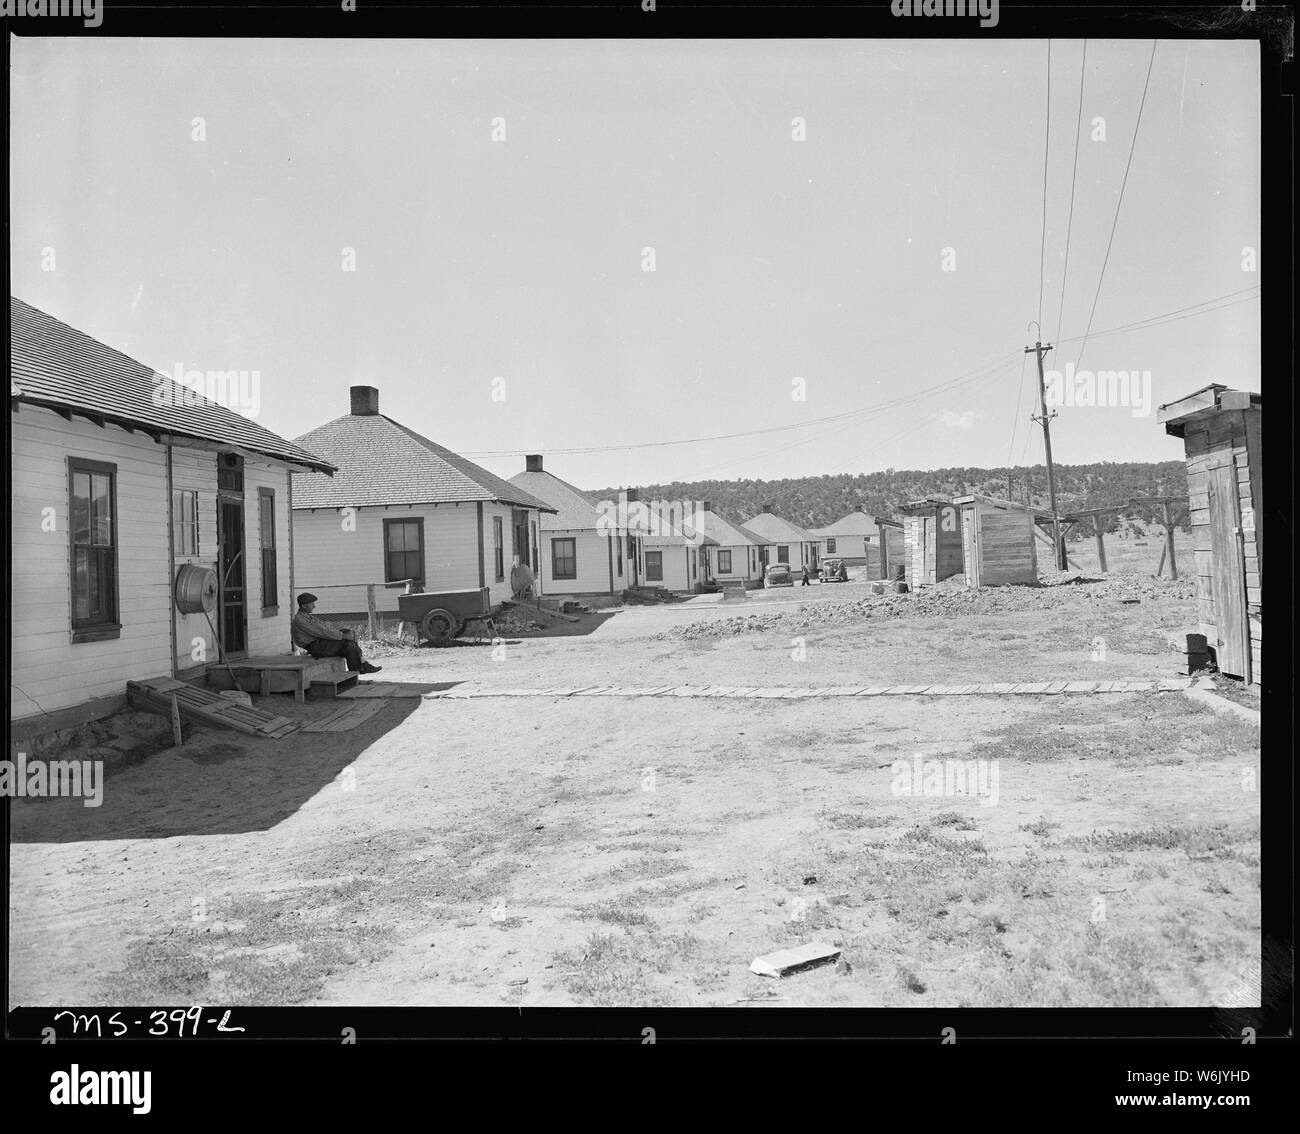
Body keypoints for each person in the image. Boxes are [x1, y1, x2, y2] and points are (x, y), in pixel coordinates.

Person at [291, 593, 382, 674]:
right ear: (303, 606)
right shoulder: (300, 620)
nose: (314, 606)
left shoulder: (309, 617)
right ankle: (361, 667)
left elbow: (325, 627)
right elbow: (323, 632)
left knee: (348, 636)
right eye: (311, 604)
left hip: (322, 643)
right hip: (316, 647)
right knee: (348, 644)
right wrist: (343, 636)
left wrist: (344, 633)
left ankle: (361, 666)